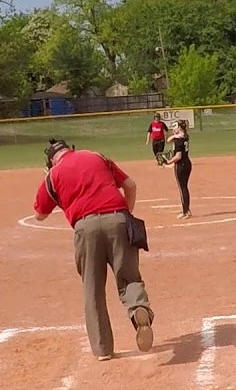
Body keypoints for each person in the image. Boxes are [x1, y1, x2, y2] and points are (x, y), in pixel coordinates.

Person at [33, 139, 154, 361]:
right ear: (71, 149)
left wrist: (52, 182)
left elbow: (40, 214)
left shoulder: (53, 174)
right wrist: (124, 213)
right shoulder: (96, 156)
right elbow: (130, 185)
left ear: (51, 160)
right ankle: (139, 310)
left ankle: (103, 349)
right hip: (118, 220)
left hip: (85, 227)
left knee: (93, 288)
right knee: (129, 278)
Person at [167, 120, 193, 219]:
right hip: (187, 164)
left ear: (179, 128)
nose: (173, 129)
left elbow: (178, 156)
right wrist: (174, 136)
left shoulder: (178, 141)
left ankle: (185, 212)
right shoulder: (185, 137)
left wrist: (168, 162)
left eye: (175, 127)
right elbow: (170, 139)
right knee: (185, 187)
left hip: (181, 165)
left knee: (182, 189)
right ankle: (186, 210)